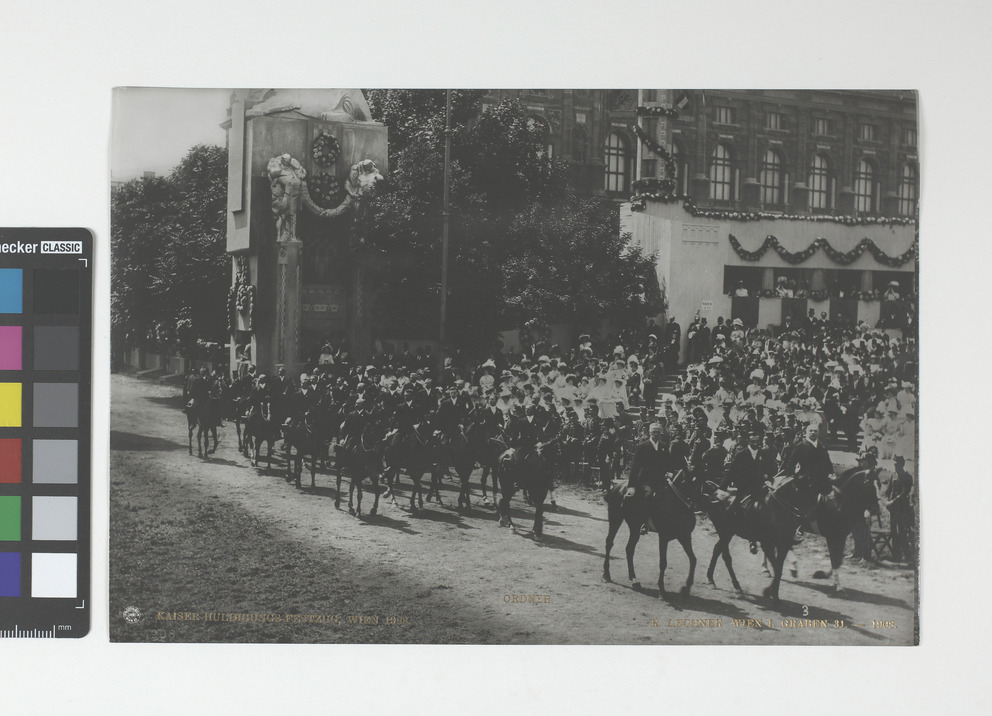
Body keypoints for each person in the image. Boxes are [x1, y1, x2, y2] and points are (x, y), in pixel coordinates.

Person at [624, 422, 674, 500]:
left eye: (658, 432)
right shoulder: (642, 446)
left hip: (660, 480)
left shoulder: (664, 446)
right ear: (650, 433)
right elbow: (635, 467)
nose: (656, 434)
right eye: (654, 432)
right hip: (645, 480)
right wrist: (632, 486)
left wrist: (670, 472)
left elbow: (668, 462)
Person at [885, 455, 915, 561]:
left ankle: (907, 555)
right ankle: (896, 555)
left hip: (902, 508)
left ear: (902, 465)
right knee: (894, 531)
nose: (895, 466)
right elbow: (888, 490)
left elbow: (904, 493)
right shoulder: (893, 476)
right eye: (894, 464)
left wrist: (892, 501)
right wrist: (887, 500)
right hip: (893, 509)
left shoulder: (907, 477)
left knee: (902, 531)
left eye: (897, 464)